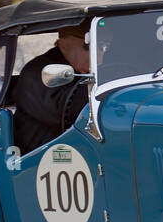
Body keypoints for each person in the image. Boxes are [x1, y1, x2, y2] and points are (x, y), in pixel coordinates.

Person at [9, 23, 97, 154]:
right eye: (88, 46)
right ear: (64, 45)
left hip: (85, 150)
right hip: (44, 157)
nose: (98, 54)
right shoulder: (37, 72)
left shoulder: (93, 69)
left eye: (103, 47)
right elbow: (65, 112)